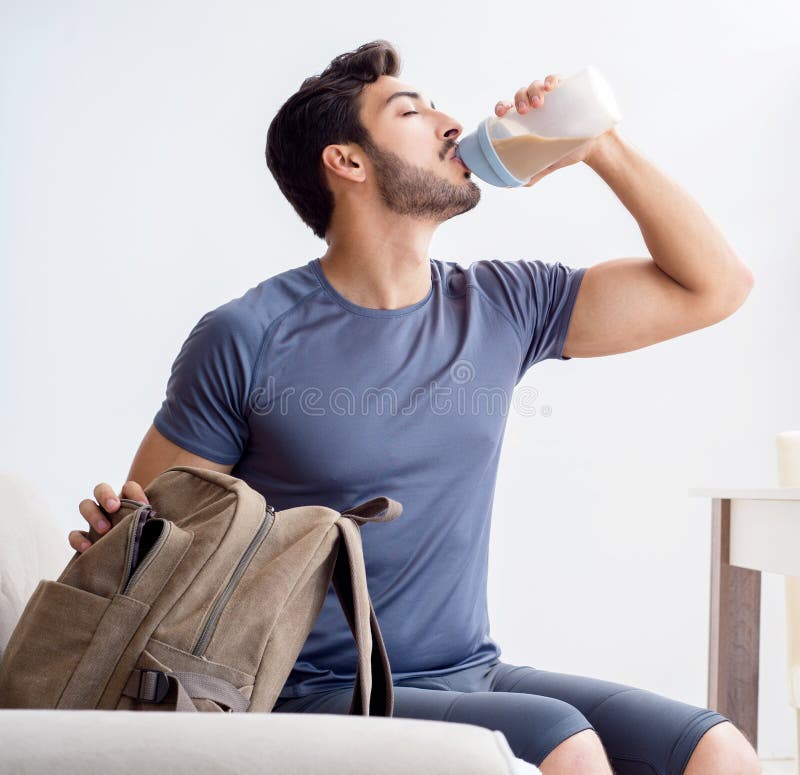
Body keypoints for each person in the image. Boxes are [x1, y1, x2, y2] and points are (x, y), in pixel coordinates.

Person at [69, 40, 759, 775]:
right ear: (349, 162)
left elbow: (713, 286)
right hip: (307, 689)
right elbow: (155, 538)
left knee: (719, 749)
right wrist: (120, 534)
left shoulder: (502, 305)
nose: (451, 123)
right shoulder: (247, 335)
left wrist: (599, 145)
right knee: (566, 744)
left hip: (472, 671)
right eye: (413, 110)